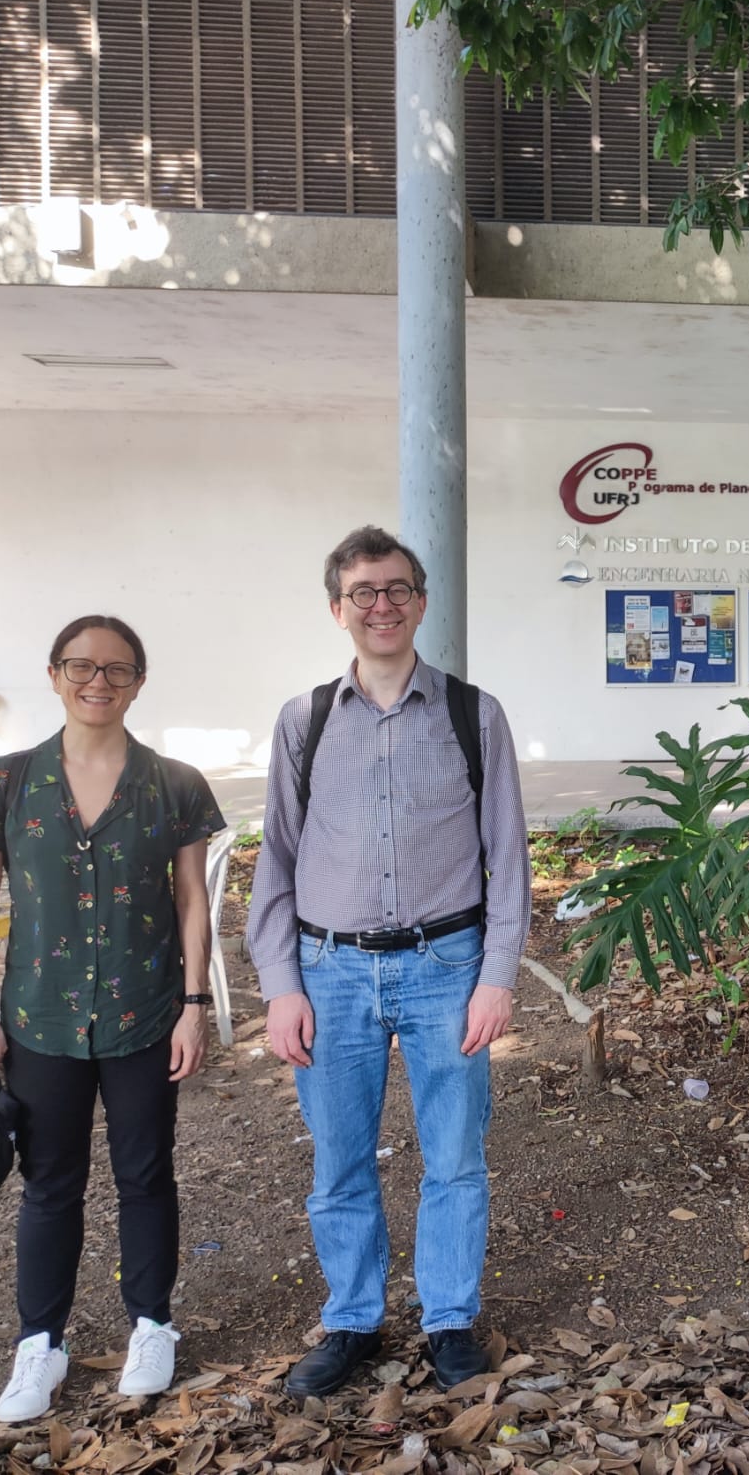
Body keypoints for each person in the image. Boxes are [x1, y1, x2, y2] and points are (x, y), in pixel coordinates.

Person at [247, 525, 531, 1399]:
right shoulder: (304, 721)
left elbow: (509, 856)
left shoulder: (473, 715)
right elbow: (276, 861)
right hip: (330, 972)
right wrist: (281, 986)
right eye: (363, 592)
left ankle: (449, 1320)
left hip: (447, 966)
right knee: (339, 1160)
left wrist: (496, 976)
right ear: (338, 609)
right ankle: (353, 1321)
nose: (382, 605)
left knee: (455, 1156)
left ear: (421, 601)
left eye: (397, 589)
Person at [0, 616, 226, 1423]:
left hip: (147, 1013)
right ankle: (40, 1344)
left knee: (146, 1174)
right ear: (54, 674)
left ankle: (152, 1325)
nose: (98, 681)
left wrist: (195, 1006)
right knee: (49, 1185)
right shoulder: (3, 784)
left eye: (117, 669)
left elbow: (192, 900)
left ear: (138, 681)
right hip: (40, 1017)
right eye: (81, 666)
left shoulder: (175, 785)